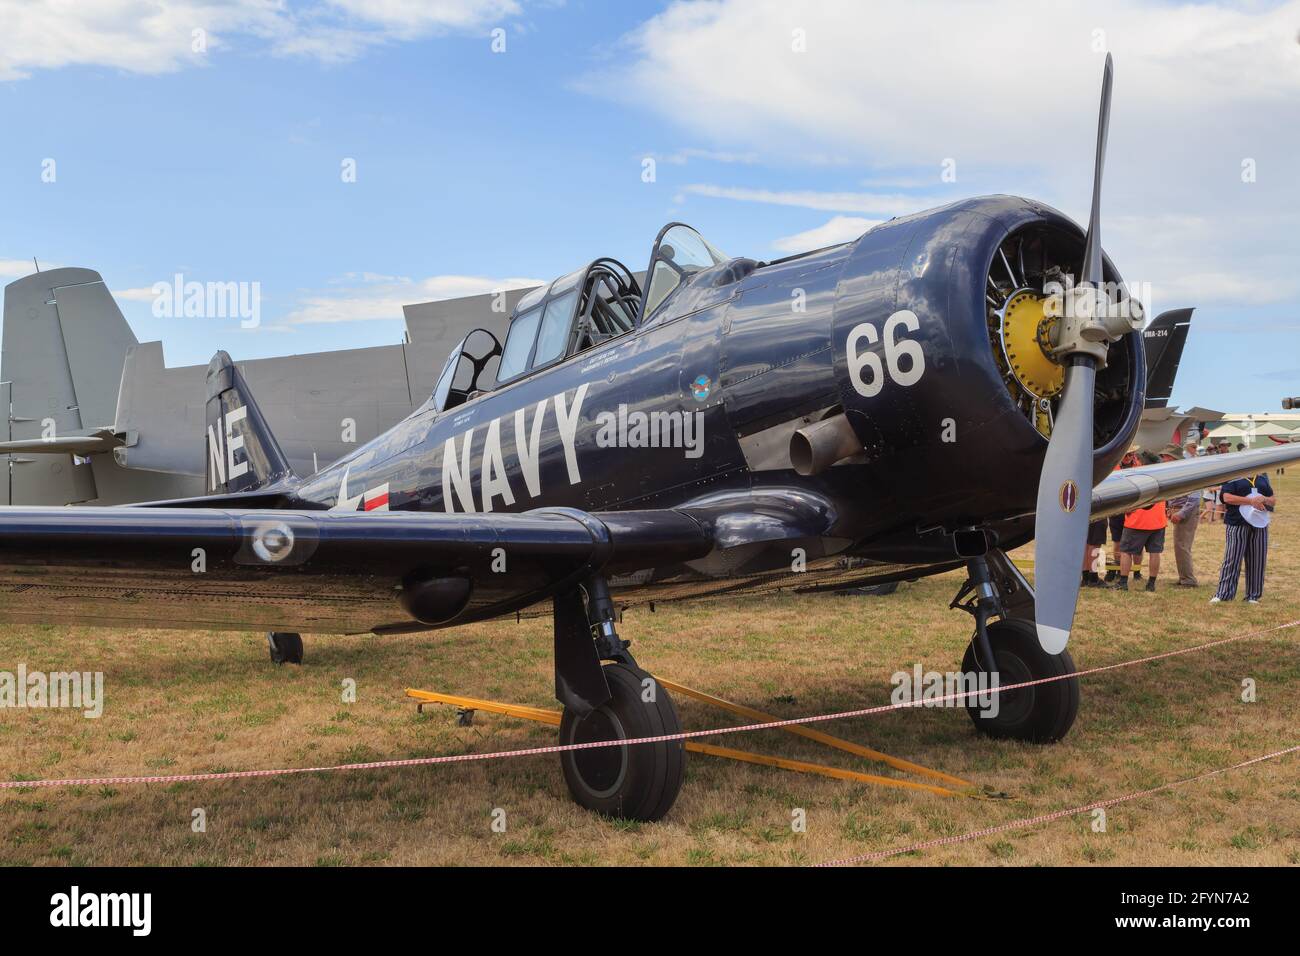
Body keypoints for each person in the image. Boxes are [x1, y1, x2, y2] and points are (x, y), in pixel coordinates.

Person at [1210, 471, 1276, 604]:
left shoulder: (1262, 480)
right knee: (1232, 558)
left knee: (1257, 560)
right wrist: (1250, 501)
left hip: (1259, 524)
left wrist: (1264, 499)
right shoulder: (1233, 478)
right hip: (1237, 523)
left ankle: (1253, 596)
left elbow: (1273, 500)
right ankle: (1224, 594)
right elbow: (1227, 498)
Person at [1114, 452, 1166, 591]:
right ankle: (1151, 584)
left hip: (1137, 521)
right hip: (1158, 521)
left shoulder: (1138, 476)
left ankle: (1123, 582)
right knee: (1155, 552)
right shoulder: (1162, 476)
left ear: (1142, 462)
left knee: (1126, 551)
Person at [1167, 445, 1201, 587]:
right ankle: (1184, 577)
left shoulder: (1187, 471)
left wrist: (1181, 513)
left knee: (1182, 546)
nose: (1163, 459)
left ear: (1172, 458)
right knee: (1180, 546)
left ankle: (1188, 580)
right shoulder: (1176, 470)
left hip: (1185, 511)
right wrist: (1169, 508)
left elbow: (1195, 495)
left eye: (1165, 456)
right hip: (1180, 510)